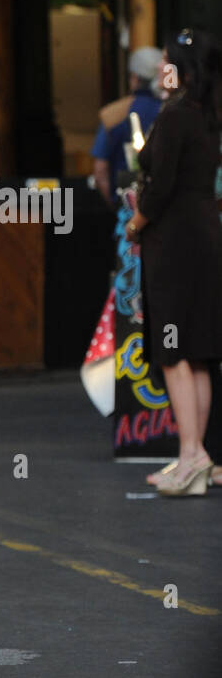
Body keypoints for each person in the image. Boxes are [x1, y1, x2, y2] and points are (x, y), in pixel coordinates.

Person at [126, 30, 222, 495]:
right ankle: (196, 456)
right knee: (199, 353)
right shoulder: (207, 114)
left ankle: (191, 454)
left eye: (167, 61)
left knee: (176, 352)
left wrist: (136, 223)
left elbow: (159, 185)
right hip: (205, 235)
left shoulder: (176, 115)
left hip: (175, 243)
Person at [93, 46, 164, 210]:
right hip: (167, 207)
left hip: (127, 202)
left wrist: (116, 206)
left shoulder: (113, 114)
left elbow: (100, 170)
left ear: (134, 78)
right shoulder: (172, 111)